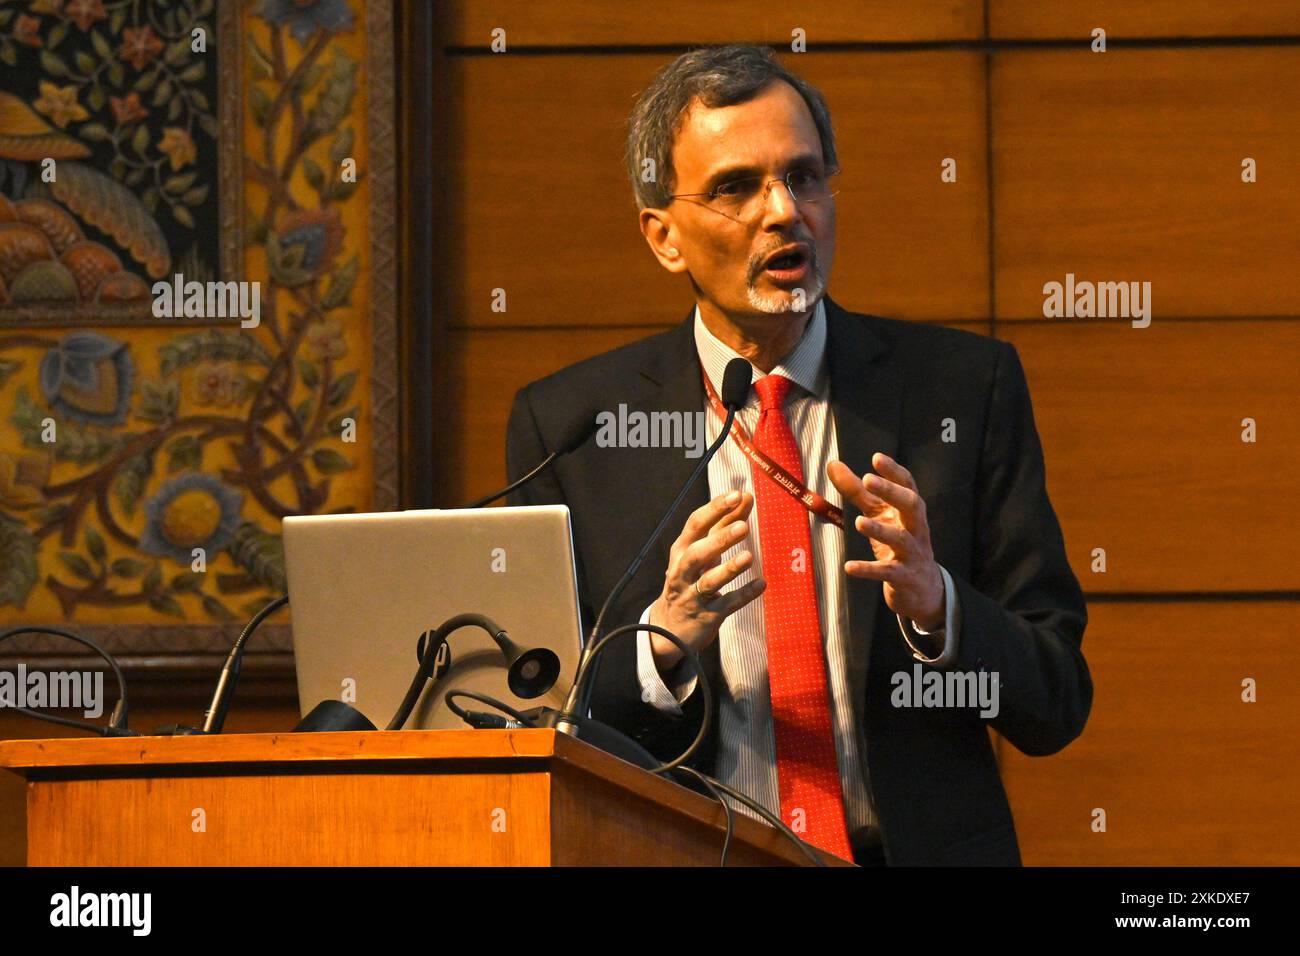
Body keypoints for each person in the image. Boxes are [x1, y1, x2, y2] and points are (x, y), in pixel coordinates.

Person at [505, 45, 1091, 866]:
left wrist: (940, 608)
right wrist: (659, 648)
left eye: (804, 178)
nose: (783, 211)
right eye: (736, 187)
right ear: (664, 237)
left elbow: (1057, 699)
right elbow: (534, 717)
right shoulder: (572, 427)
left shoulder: (961, 391)